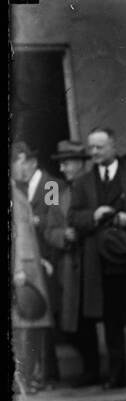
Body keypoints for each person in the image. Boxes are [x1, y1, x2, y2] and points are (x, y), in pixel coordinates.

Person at [68, 127, 126, 389]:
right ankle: (116, 375)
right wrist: (94, 215)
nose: (94, 152)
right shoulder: (82, 183)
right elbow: (73, 217)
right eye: (92, 148)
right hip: (102, 264)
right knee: (110, 322)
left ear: (113, 146)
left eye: (100, 147)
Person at [41, 140, 101, 386]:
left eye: (68, 163)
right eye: (61, 164)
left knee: (93, 316)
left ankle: (96, 370)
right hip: (67, 266)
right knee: (69, 323)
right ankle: (89, 369)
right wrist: (62, 236)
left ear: (81, 163)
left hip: (92, 262)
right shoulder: (55, 190)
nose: (63, 168)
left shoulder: (94, 186)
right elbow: (48, 227)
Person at [11, 141, 60, 387]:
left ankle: (47, 372)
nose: (24, 168)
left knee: (41, 316)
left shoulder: (49, 183)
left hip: (47, 255)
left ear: (33, 162)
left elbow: (53, 215)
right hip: (30, 260)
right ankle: (37, 373)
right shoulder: (21, 189)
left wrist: (47, 255)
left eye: (26, 163)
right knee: (33, 315)